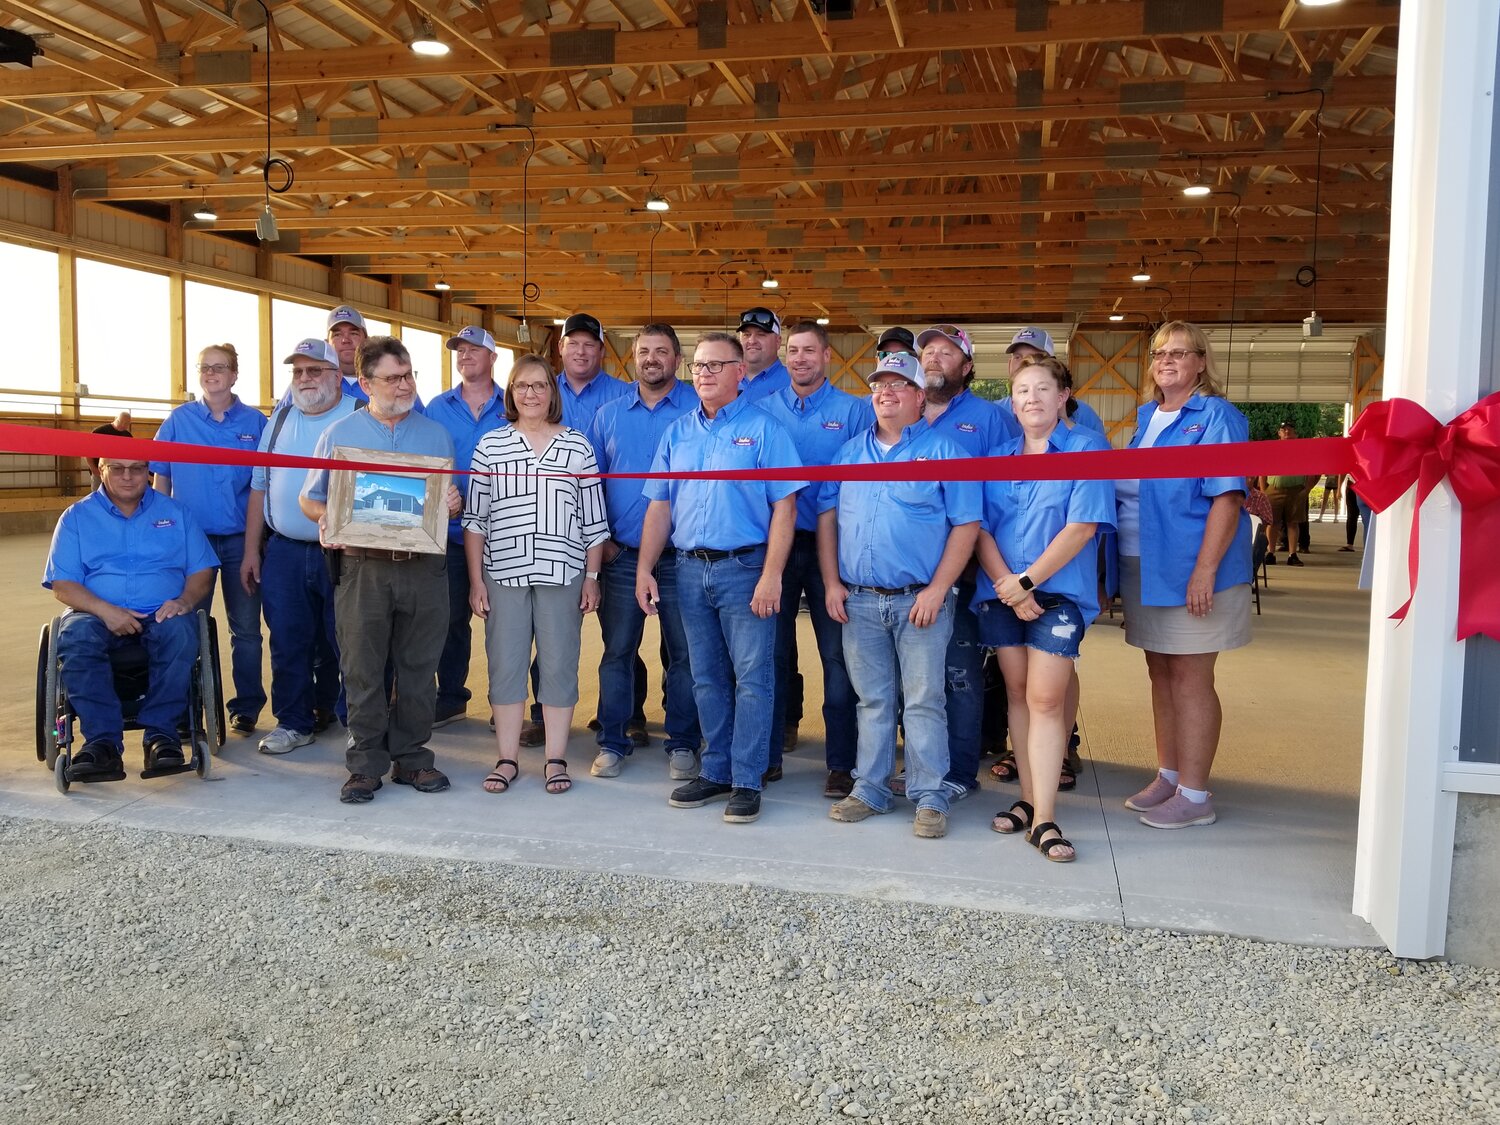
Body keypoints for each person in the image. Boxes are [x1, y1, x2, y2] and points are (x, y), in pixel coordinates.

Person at [636, 332, 803, 825]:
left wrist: (773, 575)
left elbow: (785, 507)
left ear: (739, 373)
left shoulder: (765, 430)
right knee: (705, 675)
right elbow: (659, 505)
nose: (704, 374)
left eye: (716, 366)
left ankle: (748, 780)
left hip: (746, 568)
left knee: (753, 678)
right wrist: (646, 567)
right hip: (688, 569)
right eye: (700, 366)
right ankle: (717, 769)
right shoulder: (678, 432)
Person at [817, 352, 981, 839]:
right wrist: (830, 582)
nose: (885, 393)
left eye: (896, 385)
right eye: (878, 385)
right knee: (872, 700)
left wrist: (938, 588)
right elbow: (827, 521)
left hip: (920, 602)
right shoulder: (847, 455)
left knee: (925, 700)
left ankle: (930, 795)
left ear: (918, 396)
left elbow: (966, 526)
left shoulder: (948, 453)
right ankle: (870, 787)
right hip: (859, 599)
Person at [300, 336, 461, 804]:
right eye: (394, 378)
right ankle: (365, 763)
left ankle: (412, 757)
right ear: (366, 383)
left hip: (423, 569)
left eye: (410, 375)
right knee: (363, 668)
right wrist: (326, 517)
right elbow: (310, 499)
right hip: (363, 570)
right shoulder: (339, 435)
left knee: (418, 667)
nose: (406, 384)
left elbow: (447, 500)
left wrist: (454, 501)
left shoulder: (435, 435)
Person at [975, 356, 1114, 863]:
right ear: (1012, 403)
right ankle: (1029, 802)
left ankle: (1047, 819)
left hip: (1056, 594)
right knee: (1015, 694)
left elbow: (1082, 527)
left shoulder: (1087, 448)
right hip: (1002, 592)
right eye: (1021, 391)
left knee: (1045, 699)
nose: (1031, 398)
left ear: (1063, 396)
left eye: (1041, 389)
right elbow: (981, 528)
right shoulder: (999, 454)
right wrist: (1007, 586)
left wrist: (1028, 582)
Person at [1116, 321, 1252, 829]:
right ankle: (1170, 774)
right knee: (1161, 674)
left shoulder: (1217, 416)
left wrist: (1205, 571)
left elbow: (1227, 496)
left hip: (1191, 567)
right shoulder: (1147, 417)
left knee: (1192, 677)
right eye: (1159, 353)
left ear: (1201, 363)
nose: (1166, 361)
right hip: (1143, 563)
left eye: (1179, 353)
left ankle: (1196, 795)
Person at [464, 355, 609, 796]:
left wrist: (592, 575)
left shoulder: (577, 446)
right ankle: (507, 758)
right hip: (502, 574)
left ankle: (555, 758)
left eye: (540, 385)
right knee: (505, 664)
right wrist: (475, 582)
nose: (531, 394)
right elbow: (474, 521)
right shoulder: (490, 446)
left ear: (552, 392)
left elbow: (594, 520)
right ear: (510, 393)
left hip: (562, 571)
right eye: (522, 386)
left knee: (559, 663)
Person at [42, 457, 219, 781]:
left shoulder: (177, 514)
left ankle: (161, 737)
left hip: (160, 611)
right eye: (117, 468)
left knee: (182, 632)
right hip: (95, 613)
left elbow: (201, 570)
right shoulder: (77, 517)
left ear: (147, 472)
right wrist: (106, 611)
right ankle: (101, 744)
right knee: (76, 638)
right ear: (100, 470)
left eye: (136, 468)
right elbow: (63, 584)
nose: (127, 476)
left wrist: (184, 600)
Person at [756, 320, 873, 797]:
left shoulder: (854, 411)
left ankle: (842, 762)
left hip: (833, 550)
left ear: (827, 356)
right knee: (771, 653)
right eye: (793, 351)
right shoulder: (760, 410)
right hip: (774, 550)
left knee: (838, 658)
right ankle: (767, 754)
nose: (799, 358)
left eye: (809, 350)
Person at [586, 324, 703, 781]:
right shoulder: (609, 416)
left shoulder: (700, 411)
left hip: (683, 558)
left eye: (661, 351)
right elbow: (589, 484)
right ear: (632, 358)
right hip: (623, 556)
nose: (651, 359)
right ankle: (612, 741)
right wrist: (606, 545)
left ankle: (683, 742)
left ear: (678, 359)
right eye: (643, 351)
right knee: (617, 651)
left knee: (685, 654)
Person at [915, 323, 1019, 803]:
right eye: (928, 351)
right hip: (906, 574)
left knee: (959, 672)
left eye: (947, 352)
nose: (935, 358)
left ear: (968, 366)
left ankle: (959, 769)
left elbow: (1005, 496)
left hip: (967, 570)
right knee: (915, 677)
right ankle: (920, 763)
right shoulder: (902, 412)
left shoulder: (991, 420)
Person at [242, 339, 358, 756]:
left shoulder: (359, 417)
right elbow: (259, 487)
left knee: (348, 640)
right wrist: (252, 550)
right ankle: (293, 721)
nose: (304, 379)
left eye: (314, 371)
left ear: (336, 376)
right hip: (286, 551)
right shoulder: (278, 419)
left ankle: (354, 721)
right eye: (297, 372)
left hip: (345, 552)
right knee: (288, 639)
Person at [149, 343, 268, 735]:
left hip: (239, 542)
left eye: (220, 368)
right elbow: (160, 478)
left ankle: (246, 706)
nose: (211, 374)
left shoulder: (256, 423)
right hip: (191, 546)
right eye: (205, 367)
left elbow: (262, 486)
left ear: (235, 375)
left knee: (246, 630)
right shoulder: (178, 421)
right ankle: (186, 707)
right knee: (185, 626)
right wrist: (161, 534)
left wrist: (254, 546)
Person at [425, 325, 509, 727]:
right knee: (450, 620)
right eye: (460, 350)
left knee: (506, 625)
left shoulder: (514, 405)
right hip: (452, 536)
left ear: (493, 358)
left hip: (506, 536)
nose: (465, 355)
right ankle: (452, 696)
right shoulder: (437, 407)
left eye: (474, 350)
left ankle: (504, 702)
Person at [999, 327, 1106, 433]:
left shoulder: (1083, 415)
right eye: (1018, 357)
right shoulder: (994, 413)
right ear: (1009, 365)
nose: (1025, 363)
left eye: (1035, 356)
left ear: (1052, 364)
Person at [1262, 421, 1313, 567]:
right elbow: (1262, 469)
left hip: (1296, 489)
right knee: (1272, 523)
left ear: (1296, 433)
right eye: (1283, 430)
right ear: (1279, 433)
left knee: (1293, 522)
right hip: (1274, 488)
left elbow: (1311, 470)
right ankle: (1270, 553)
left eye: (1290, 430)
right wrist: (1264, 490)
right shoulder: (1272, 449)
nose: (1286, 432)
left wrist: (1307, 489)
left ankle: (1292, 554)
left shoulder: (1303, 450)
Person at [736, 306, 791, 402]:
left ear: (778, 342)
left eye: (761, 334)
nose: (752, 341)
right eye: (746, 335)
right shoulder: (725, 379)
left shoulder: (795, 383)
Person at [86, 411, 132, 484]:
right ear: (115, 419)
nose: (123, 425)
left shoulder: (128, 436)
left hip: (118, 472)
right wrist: (93, 469)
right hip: (100, 471)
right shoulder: (99, 432)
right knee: (99, 492)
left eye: (126, 423)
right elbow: (88, 451)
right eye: (120, 421)